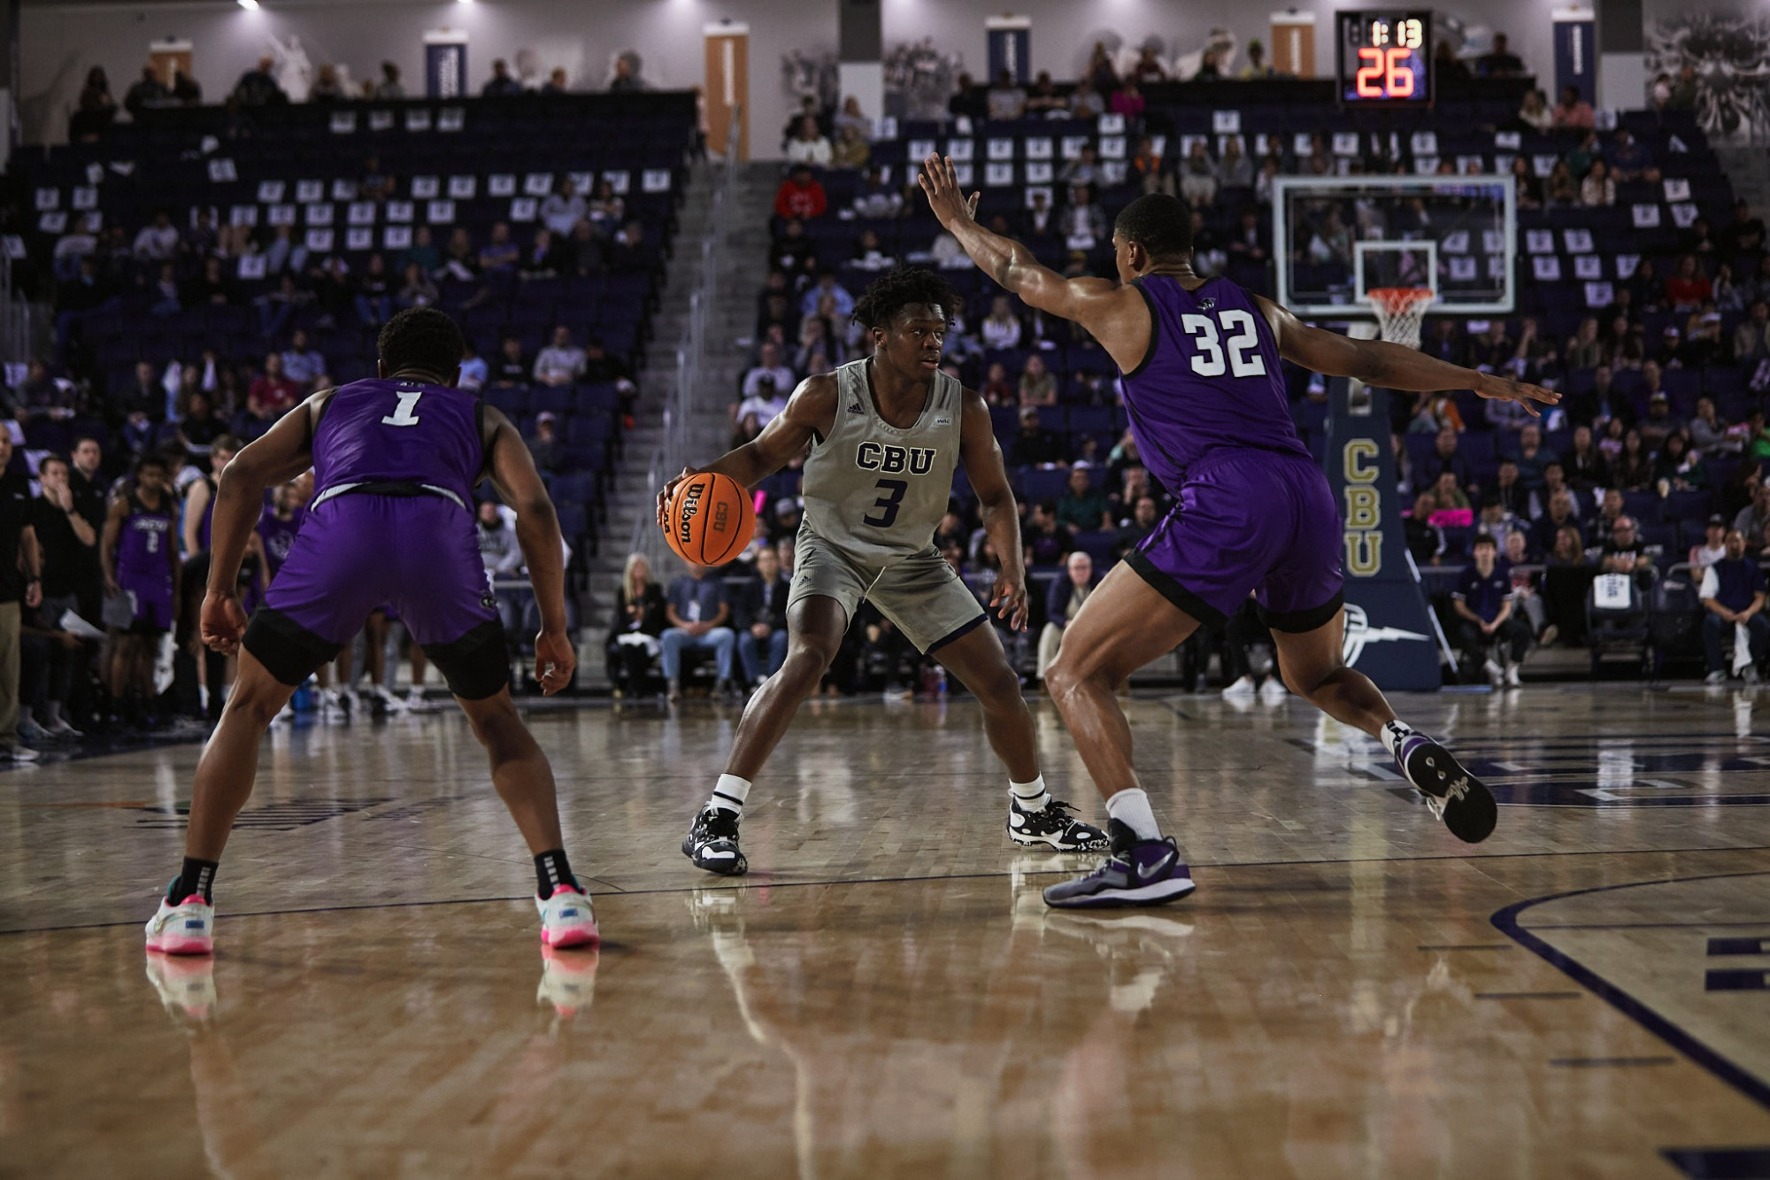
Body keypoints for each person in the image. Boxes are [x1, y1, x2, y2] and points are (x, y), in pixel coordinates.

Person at [918, 159, 1557, 908]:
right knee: (1315, 674)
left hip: (1230, 495)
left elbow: (1018, 271)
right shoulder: (1258, 310)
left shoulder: (1123, 303)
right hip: (1307, 494)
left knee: (1072, 673)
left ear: (1131, 253)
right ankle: (1399, 736)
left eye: (1118, 254)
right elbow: (1367, 359)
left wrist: (957, 221)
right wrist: (1477, 380)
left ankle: (1144, 853)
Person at [142, 307, 595, 957]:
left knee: (247, 708)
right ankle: (562, 893)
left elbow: (239, 474)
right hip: (437, 533)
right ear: (455, 375)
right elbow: (535, 509)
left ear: (381, 369)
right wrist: (553, 627)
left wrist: (216, 592)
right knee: (497, 720)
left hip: (342, 528)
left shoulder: (330, 402)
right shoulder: (481, 415)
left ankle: (190, 900)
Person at [658, 267, 1109, 876]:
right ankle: (717, 814)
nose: (932, 342)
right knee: (808, 657)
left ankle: (1031, 810)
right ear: (880, 336)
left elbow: (996, 496)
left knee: (1001, 682)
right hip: (832, 547)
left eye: (939, 332)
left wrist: (1014, 569)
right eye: (918, 330)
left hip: (912, 558)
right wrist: (699, 480)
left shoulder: (964, 407)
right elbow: (762, 455)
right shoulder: (825, 393)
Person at [101, 454, 179, 729]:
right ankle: (115, 704)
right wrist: (109, 577)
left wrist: (176, 588)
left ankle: (146, 701)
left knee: (150, 645)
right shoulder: (125, 504)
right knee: (124, 643)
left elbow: (173, 551)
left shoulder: (168, 507)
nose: (154, 480)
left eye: (158, 475)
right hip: (129, 580)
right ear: (140, 476)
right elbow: (106, 544)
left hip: (157, 581)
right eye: (149, 475)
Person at [1452, 534, 1531, 687]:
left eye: (1488, 548)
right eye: (1481, 548)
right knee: (1464, 634)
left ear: (1494, 552)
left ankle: (1512, 670)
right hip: (1475, 621)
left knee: (1523, 631)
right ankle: (1491, 668)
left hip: (1497, 621)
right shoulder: (1466, 574)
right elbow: (1459, 605)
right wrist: (1478, 620)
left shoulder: (1502, 574)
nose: (1484, 552)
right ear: (1475, 552)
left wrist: (1495, 623)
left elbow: (1506, 605)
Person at [659, 561, 737, 700]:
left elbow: (723, 612)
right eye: (692, 561)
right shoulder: (678, 583)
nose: (695, 564)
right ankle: (673, 685)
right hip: (685, 631)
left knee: (727, 635)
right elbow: (670, 612)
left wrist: (708, 625)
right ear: (686, 562)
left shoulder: (716, 583)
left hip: (708, 631)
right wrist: (685, 625)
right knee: (668, 636)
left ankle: (721, 684)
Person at [1700, 529, 1767, 685]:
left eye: (1737, 541)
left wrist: (1748, 613)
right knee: (1710, 623)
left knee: (1762, 625)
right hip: (1724, 612)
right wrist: (1724, 612)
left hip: (1746, 612)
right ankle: (1716, 669)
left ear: (1744, 544)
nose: (1734, 545)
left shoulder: (1753, 568)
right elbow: (1708, 599)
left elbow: (1760, 597)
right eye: (1730, 541)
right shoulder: (1715, 568)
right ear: (1725, 544)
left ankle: (1751, 667)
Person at [734, 543, 790, 691]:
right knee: (744, 640)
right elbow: (740, 613)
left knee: (781, 638)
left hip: (776, 628)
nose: (768, 563)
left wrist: (770, 626)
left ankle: (772, 680)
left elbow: (788, 614)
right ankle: (755, 680)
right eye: (764, 560)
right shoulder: (749, 587)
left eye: (772, 559)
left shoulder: (787, 588)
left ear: (778, 562)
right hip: (753, 628)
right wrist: (752, 626)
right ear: (758, 564)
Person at [1038, 551, 1098, 680]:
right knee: (1049, 631)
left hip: (1094, 626)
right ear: (1069, 570)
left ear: (1090, 569)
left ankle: (1117, 679)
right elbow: (1052, 612)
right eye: (1077, 568)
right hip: (1067, 625)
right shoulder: (1060, 583)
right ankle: (1045, 677)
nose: (1080, 572)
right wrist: (1066, 623)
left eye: (1084, 568)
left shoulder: (1100, 581)